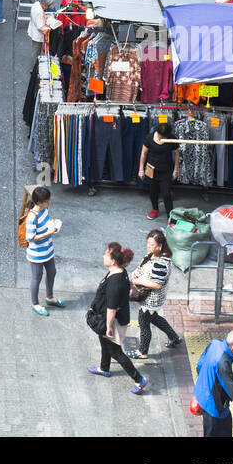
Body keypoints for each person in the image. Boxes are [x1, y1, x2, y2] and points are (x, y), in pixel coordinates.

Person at [87, 242, 148, 393]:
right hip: (111, 317)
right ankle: (104, 367)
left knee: (115, 351)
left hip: (112, 321)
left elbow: (111, 309)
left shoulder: (115, 282)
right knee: (104, 342)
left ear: (113, 260)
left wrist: (108, 327)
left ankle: (139, 379)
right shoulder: (119, 271)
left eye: (106, 254)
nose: (103, 256)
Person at [130, 229, 182, 359]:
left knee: (144, 325)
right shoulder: (152, 255)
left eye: (151, 244)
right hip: (150, 299)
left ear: (159, 246)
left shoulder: (161, 263)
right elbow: (144, 267)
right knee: (154, 318)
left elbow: (157, 284)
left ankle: (142, 352)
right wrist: (136, 272)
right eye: (148, 243)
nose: (148, 246)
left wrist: (139, 280)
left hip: (150, 300)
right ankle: (174, 338)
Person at [25, 186, 65, 315]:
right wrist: (47, 233)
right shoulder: (32, 217)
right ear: (38, 202)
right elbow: (30, 238)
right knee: (37, 277)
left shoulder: (45, 210)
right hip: (37, 253)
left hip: (48, 249)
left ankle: (50, 297)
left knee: (52, 272)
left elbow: (47, 223)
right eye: (46, 201)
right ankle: (35, 303)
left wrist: (53, 226)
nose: (49, 202)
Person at [139, 120, 180, 220]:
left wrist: (176, 170)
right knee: (153, 192)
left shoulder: (172, 139)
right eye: (162, 136)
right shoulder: (149, 138)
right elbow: (143, 153)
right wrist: (141, 169)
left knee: (166, 194)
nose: (163, 138)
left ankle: (170, 217)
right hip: (151, 169)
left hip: (166, 170)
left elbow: (176, 154)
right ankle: (155, 209)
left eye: (165, 136)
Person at [28, 0, 55, 66]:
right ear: (45, 4)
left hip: (33, 30)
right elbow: (41, 27)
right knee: (36, 53)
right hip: (37, 35)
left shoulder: (36, 4)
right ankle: (33, 69)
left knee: (35, 52)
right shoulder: (39, 12)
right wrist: (50, 27)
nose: (48, 7)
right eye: (48, 5)